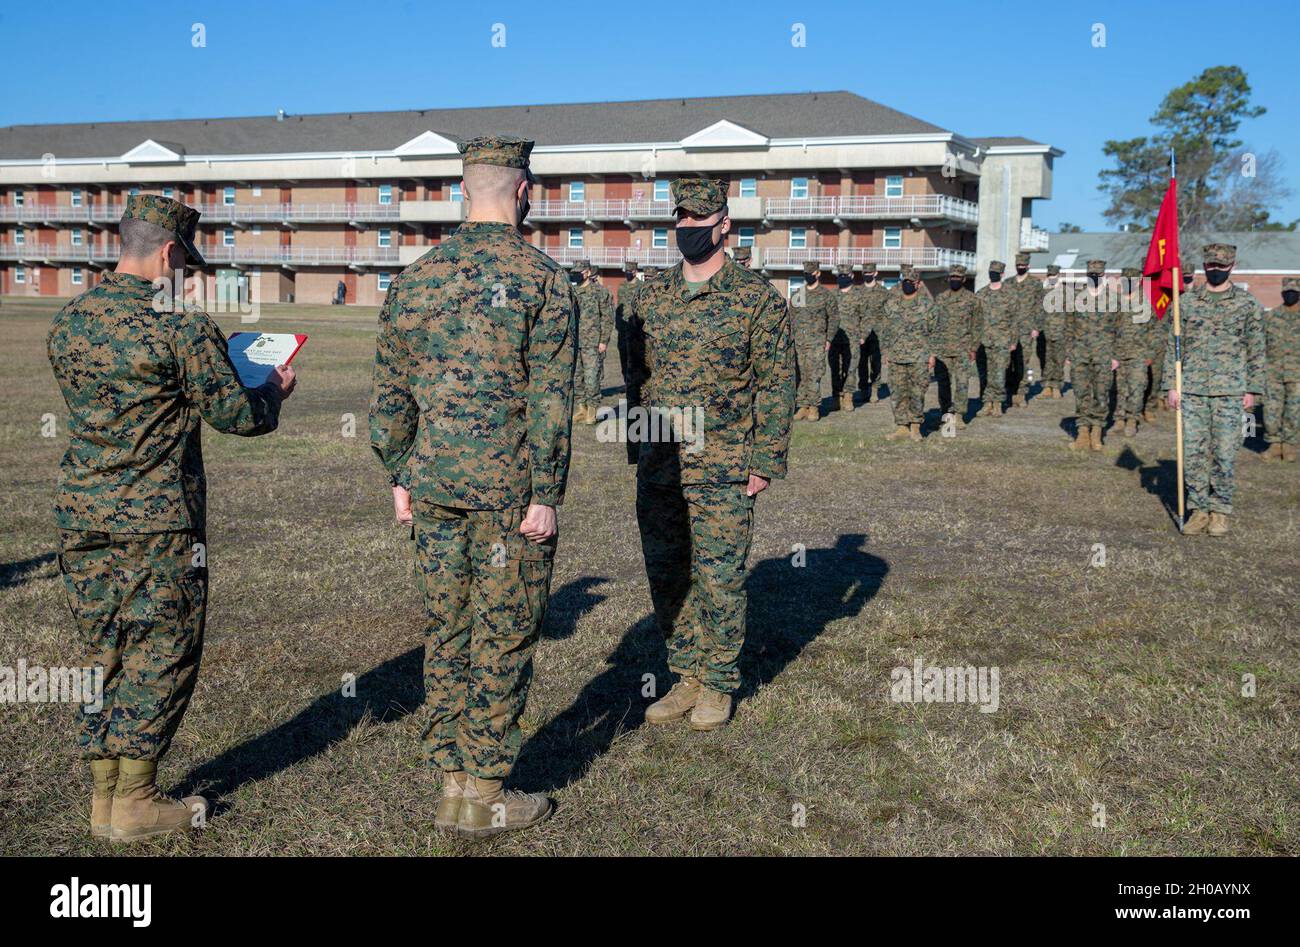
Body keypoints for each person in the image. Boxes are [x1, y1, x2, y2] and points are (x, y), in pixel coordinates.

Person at [47, 194, 295, 841]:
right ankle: (135, 800)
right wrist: (272, 390)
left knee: (103, 652)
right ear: (167, 252)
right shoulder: (180, 325)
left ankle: (104, 795)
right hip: (157, 521)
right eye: (185, 261)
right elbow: (238, 415)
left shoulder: (71, 319)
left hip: (81, 514)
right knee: (161, 652)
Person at [369, 134, 576, 837]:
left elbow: (390, 394)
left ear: (463, 190)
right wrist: (546, 492)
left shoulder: (415, 278)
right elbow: (552, 399)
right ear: (524, 191)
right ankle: (483, 791)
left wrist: (400, 474)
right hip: (509, 494)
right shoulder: (543, 279)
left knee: (447, 630)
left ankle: (454, 782)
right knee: (503, 633)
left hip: (433, 486)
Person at [625, 177, 794, 731]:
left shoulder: (756, 299)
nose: (688, 229)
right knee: (667, 573)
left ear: (724, 225)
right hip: (661, 461)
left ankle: (718, 682)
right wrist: (638, 446)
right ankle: (686, 674)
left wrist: (765, 460)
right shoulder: (647, 297)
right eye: (681, 219)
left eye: (699, 220)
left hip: (723, 463)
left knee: (719, 577)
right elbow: (635, 378)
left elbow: (777, 383)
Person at [1164, 244, 1267, 535]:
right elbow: (1173, 347)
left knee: (1224, 453)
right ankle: (1198, 509)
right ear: (1204, 265)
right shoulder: (1186, 303)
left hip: (1231, 391)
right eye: (1211, 265)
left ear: (1232, 265)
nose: (1216, 270)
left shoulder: (1247, 304)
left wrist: (1252, 389)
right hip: (1192, 390)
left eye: (1222, 266)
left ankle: (1220, 510)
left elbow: (1257, 349)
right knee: (1193, 453)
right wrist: (1171, 385)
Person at [1066, 260, 1119, 451]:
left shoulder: (1114, 299)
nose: (1095, 277)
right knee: (1081, 393)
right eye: (1091, 274)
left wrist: (1116, 356)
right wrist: (1068, 352)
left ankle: (1096, 432)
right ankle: (1082, 433)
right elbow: (1069, 326)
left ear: (1104, 276)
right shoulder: (1076, 298)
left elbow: (1119, 329)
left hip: (1104, 355)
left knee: (1101, 393)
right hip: (1080, 354)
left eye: (1098, 274)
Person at [880, 265, 937, 441]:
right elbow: (884, 330)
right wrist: (885, 352)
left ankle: (915, 427)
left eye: (911, 281)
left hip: (919, 357)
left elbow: (936, 332)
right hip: (896, 356)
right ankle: (902, 427)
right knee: (897, 393)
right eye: (904, 281)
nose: (907, 284)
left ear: (918, 284)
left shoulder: (927, 305)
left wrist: (932, 355)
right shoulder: (891, 305)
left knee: (917, 392)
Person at [931, 264, 982, 427]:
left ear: (963, 279)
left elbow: (977, 325)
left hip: (963, 349)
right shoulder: (940, 298)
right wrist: (933, 349)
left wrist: (974, 348)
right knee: (943, 383)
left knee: (962, 383)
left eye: (957, 277)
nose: (954, 280)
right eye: (952, 277)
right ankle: (946, 412)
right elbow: (933, 324)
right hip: (942, 349)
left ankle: (959, 415)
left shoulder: (972, 299)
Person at [1262, 277, 1300, 462]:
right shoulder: (1270, 317)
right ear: (1282, 293)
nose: (1290, 295)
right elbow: (1260, 345)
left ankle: (1289, 445)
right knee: (1271, 410)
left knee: (1294, 410)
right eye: (1287, 292)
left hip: (1297, 374)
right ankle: (1274, 444)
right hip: (1273, 373)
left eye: (1294, 292)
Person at [1114, 266, 1154, 437]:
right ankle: (1119, 418)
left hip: (1139, 353)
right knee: (1120, 388)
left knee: (1137, 387)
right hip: (1118, 353)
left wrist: (1150, 354)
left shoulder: (1145, 302)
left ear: (1138, 282)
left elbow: (1153, 330)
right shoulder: (1115, 302)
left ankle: (1132, 419)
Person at [573, 259, 613, 424]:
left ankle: (592, 411)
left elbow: (607, 318)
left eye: (580, 272)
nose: (576, 275)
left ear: (588, 272)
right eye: (574, 272)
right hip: (575, 342)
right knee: (577, 378)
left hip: (593, 343)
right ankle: (581, 409)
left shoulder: (599, 292)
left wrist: (603, 341)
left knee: (592, 377)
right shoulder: (572, 292)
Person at [975, 260, 1015, 417]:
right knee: (984, 374)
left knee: (998, 373)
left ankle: (997, 403)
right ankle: (987, 403)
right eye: (991, 272)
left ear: (1002, 274)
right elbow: (975, 318)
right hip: (983, 341)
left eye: (996, 273)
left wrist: (1013, 341)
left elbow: (1014, 320)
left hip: (1002, 340)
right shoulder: (981, 294)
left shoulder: (1009, 294)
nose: (993, 275)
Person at [830, 266, 863, 412]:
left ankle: (848, 396)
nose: (842, 277)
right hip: (834, 338)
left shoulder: (859, 295)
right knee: (834, 368)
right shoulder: (832, 295)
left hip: (852, 339)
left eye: (845, 275)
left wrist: (863, 335)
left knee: (850, 369)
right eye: (840, 275)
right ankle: (837, 396)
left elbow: (866, 316)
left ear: (852, 275)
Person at [1039, 264, 1067, 398]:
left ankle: (1056, 386)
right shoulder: (1042, 292)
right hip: (1045, 332)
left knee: (1058, 360)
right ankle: (1046, 386)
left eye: (1054, 275)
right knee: (1046, 360)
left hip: (1060, 331)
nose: (1052, 277)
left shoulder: (1066, 292)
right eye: (1049, 275)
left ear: (1058, 275)